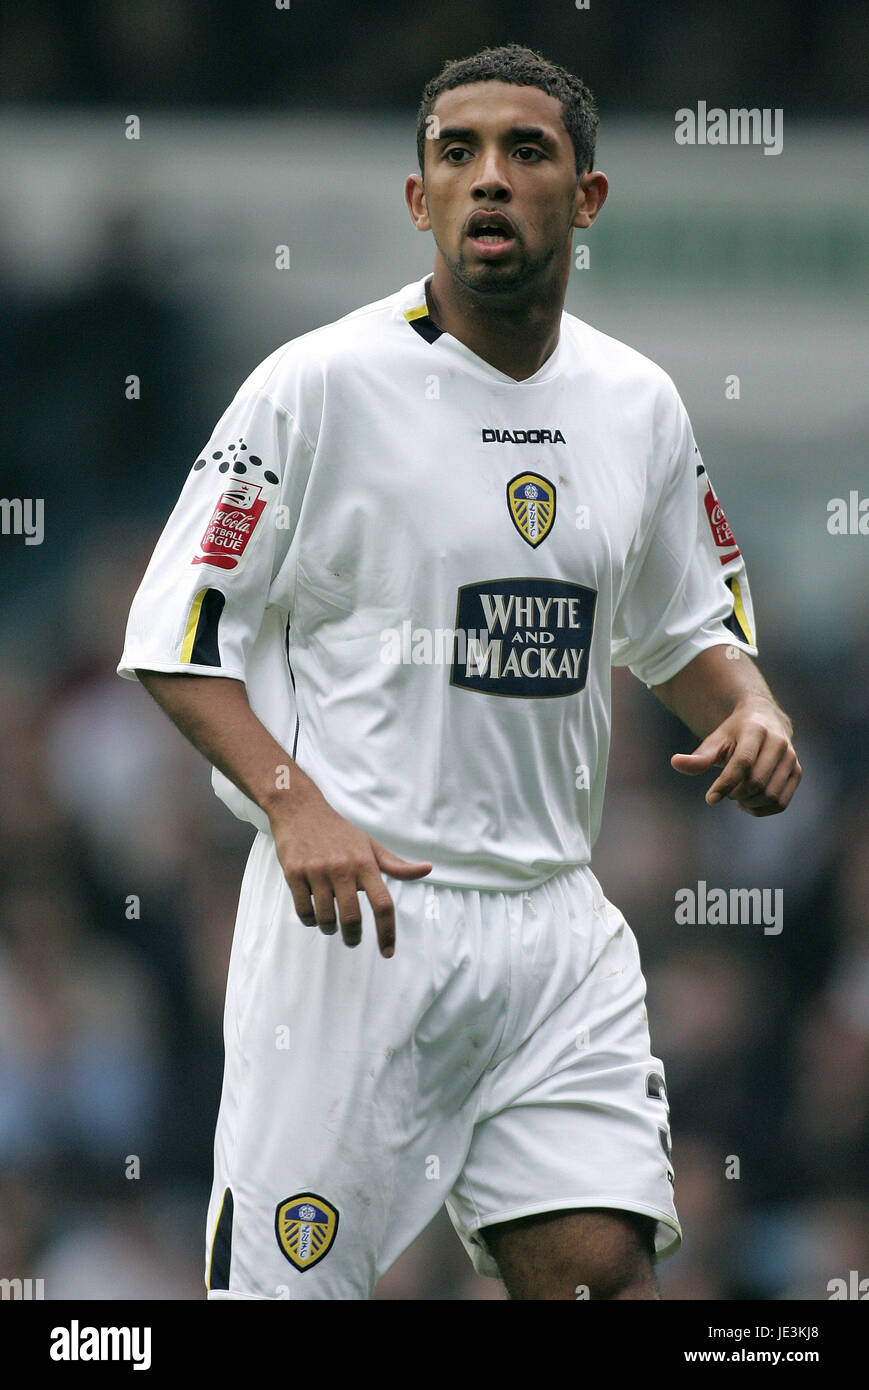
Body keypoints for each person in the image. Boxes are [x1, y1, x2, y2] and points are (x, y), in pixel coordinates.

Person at [117, 43, 801, 1301]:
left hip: (553, 929)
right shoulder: (312, 386)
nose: (488, 179)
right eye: (456, 153)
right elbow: (175, 639)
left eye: (525, 152)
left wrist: (751, 709)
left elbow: (684, 628)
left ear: (584, 198)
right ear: (417, 196)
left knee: (594, 1270)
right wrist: (292, 799)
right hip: (358, 924)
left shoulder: (637, 404)